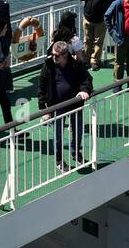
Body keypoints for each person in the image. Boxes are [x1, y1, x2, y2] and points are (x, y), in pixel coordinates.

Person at [37, 39, 93, 167]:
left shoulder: (75, 65)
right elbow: (41, 85)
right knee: (58, 137)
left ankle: (76, 153)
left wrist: (84, 90)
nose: (53, 57)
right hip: (57, 107)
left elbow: (87, 78)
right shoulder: (48, 65)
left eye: (56, 55)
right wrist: (43, 108)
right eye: (52, 54)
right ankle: (59, 160)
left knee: (78, 132)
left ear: (65, 55)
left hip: (75, 104)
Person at [77, 0, 116, 71]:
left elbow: (112, 4)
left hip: (100, 20)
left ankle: (94, 61)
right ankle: (86, 60)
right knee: (87, 41)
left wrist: (108, 16)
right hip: (87, 18)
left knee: (98, 42)